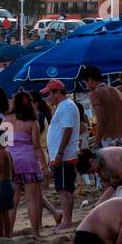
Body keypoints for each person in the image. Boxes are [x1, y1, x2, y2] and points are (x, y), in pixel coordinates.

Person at [42, 80, 81, 230]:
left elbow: (67, 130)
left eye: (50, 94)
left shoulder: (66, 107)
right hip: (63, 154)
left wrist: (59, 152)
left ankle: (67, 221)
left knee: (64, 189)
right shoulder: (64, 107)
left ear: (57, 92)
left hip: (65, 155)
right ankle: (67, 219)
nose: (48, 97)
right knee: (64, 188)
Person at [8, 90, 46, 236]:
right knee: (31, 199)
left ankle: (9, 233)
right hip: (29, 162)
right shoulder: (33, 122)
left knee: (14, 200)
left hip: (12, 162)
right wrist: (44, 166)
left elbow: (3, 144)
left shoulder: (7, 120)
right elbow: (36, 146)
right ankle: (36, 232)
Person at [83, 67, 122, 147]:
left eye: (85, 83)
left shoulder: (95, 94)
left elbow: (101, 121)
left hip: (108, 141)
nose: (86, 87)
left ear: (90, 80)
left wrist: (96, 143)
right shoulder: (116, 91)